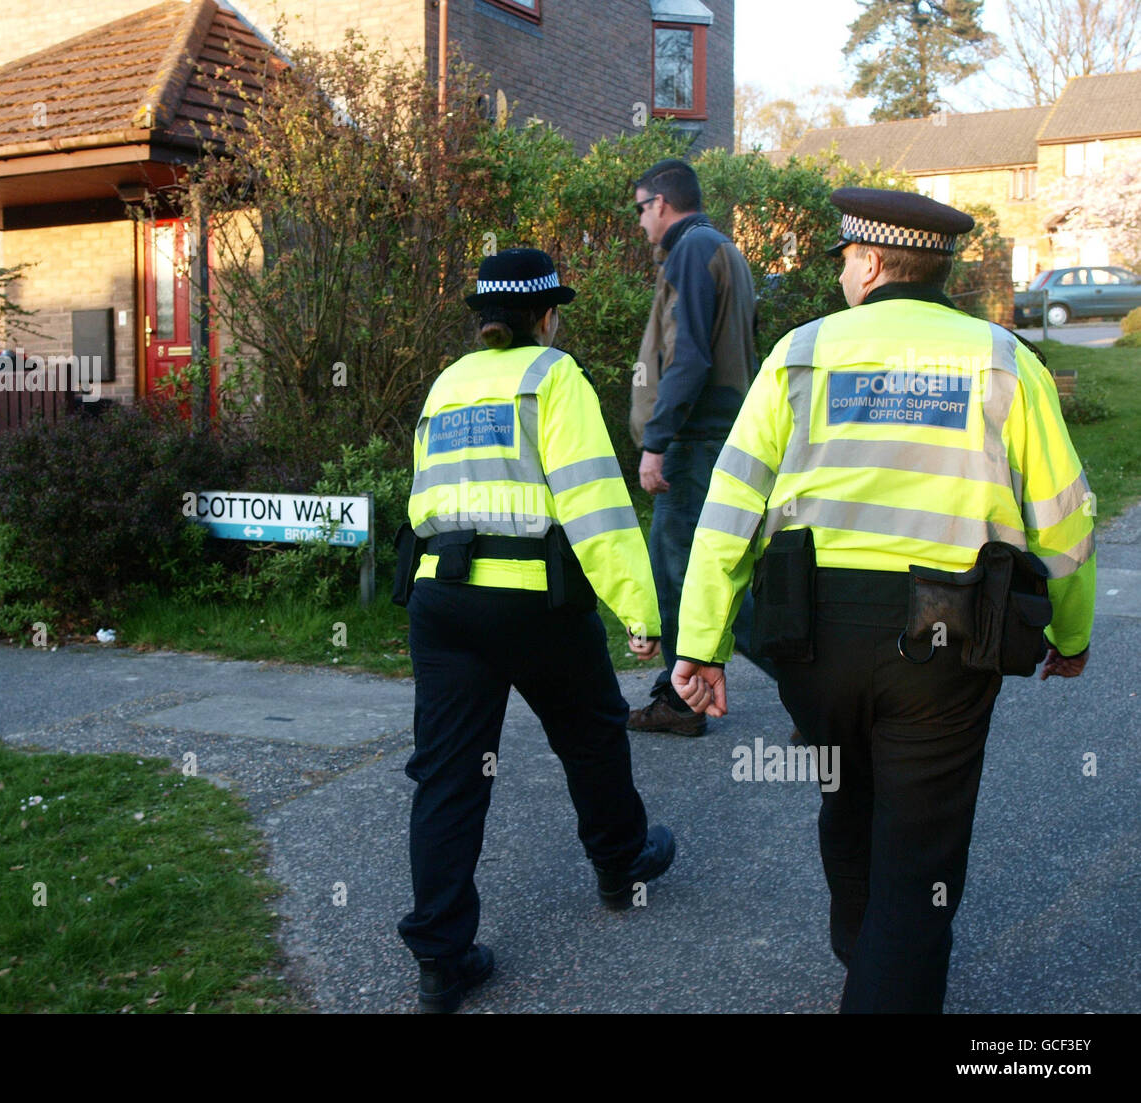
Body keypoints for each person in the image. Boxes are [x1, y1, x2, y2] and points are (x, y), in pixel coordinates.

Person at [670, 187, 1096, 1013]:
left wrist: (701, 645)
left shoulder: (799, 355)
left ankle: (861, 955)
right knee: (919, 845)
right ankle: (886, 976)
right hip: (947, 640)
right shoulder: (1005, 360)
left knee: (846, 790)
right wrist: (1070, 636)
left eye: (843, 259)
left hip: (811, 638)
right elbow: (1064, 524)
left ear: (867, 263)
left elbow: (729, 512)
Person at [394, 248, 676, 1014]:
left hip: (440, 602)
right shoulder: (554, 376)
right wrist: (639, 615)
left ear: (483, 320)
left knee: (447, 776)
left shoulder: (447, 384)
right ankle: (621, 867)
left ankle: (441, 959)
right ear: (546, 315)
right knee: (590, 730)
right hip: (534, 601)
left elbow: (426, 498)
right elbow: (595, 506)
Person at [627, 158, 772, 739]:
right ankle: (814, 690)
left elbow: (689, 356)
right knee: (720, 570)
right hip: (724, 433)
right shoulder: (726, 250)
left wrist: (657, 443)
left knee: (681, 571)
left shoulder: (690, 251)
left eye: (640, 209)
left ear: (661, 203)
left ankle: (681, 700)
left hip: (694, 441)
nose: (639, 222)